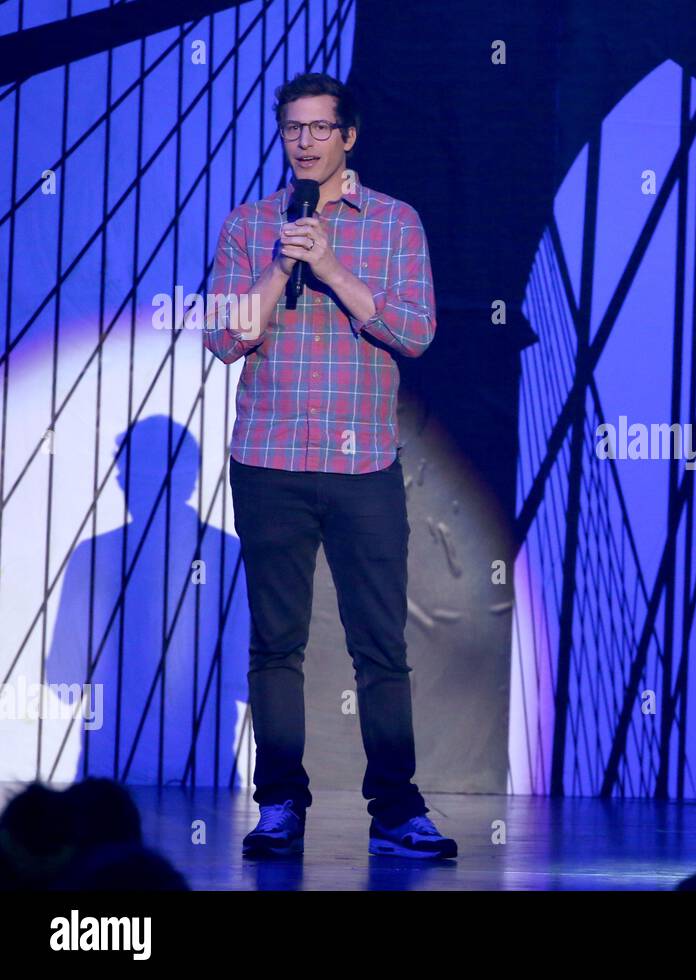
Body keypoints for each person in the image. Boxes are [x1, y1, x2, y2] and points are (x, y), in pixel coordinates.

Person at [202, 71, 455, 860]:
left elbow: (416, 333)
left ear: (349, 135)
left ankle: (396, 810)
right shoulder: (251, 224)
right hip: (269, 459)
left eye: (320, 128)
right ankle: (280, 806)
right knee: (275, 644)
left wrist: (336, 268)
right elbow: (224, 337)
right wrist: (282, 265)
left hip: (363, 464)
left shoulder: (394, 223)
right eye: (292, 129)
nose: (305, 142)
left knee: (379, 644)